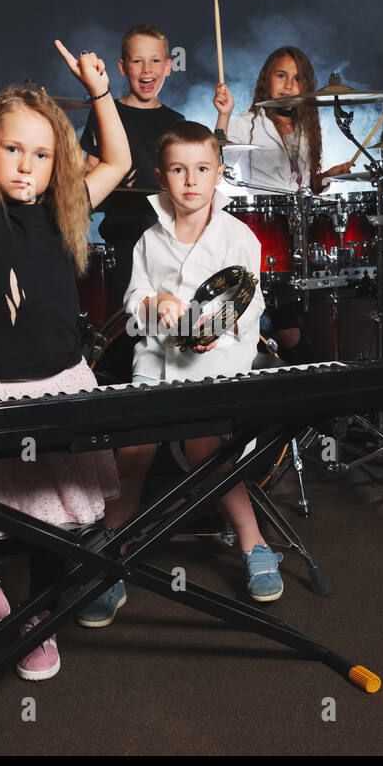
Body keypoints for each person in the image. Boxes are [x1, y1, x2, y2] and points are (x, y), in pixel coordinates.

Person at [0, 0, 131, 679]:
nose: (27, 166)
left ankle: (38, 618)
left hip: (64, 382)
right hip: (4, 391)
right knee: (10, 518)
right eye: (13, 150)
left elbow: (122, 163)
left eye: (41, 155)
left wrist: (100, 92)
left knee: (68, 522)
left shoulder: (65, 210)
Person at [77, 121, 280, 628]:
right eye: (178, 169)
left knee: (204, 449)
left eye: (202, 169)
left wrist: (218, 329)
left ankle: (254, 545)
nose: (191, 180)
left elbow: (249, 305)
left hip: (215, 365)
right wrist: (156, 302)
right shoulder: (148, 239)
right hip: (155, 362)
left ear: (218, 174)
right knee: (134, 452)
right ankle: (109, 565)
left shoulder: (240, 237)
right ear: (162, 176)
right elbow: (132, 304)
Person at [213, 46, 349, 362]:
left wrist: (325, 176)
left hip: (293, 238)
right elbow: (216, 152)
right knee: (244, 323)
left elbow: (306, 184)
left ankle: (304, 389)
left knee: (290, 331)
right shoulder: (246, 122)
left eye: (297, 79)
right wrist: (223, 114)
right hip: (259, 232)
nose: (288, 85)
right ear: (266, 80)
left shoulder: (308, 129)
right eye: (281, 75)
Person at [80, 24, 185, 378]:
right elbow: (90, 170)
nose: (147, 69)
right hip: (123, 241)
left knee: (170, 331)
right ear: (122, 67)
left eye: (155, 61)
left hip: (169, 244)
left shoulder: (175, 123)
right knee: (126, 330)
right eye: (137, 61)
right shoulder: (107, 113)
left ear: (168, 66)